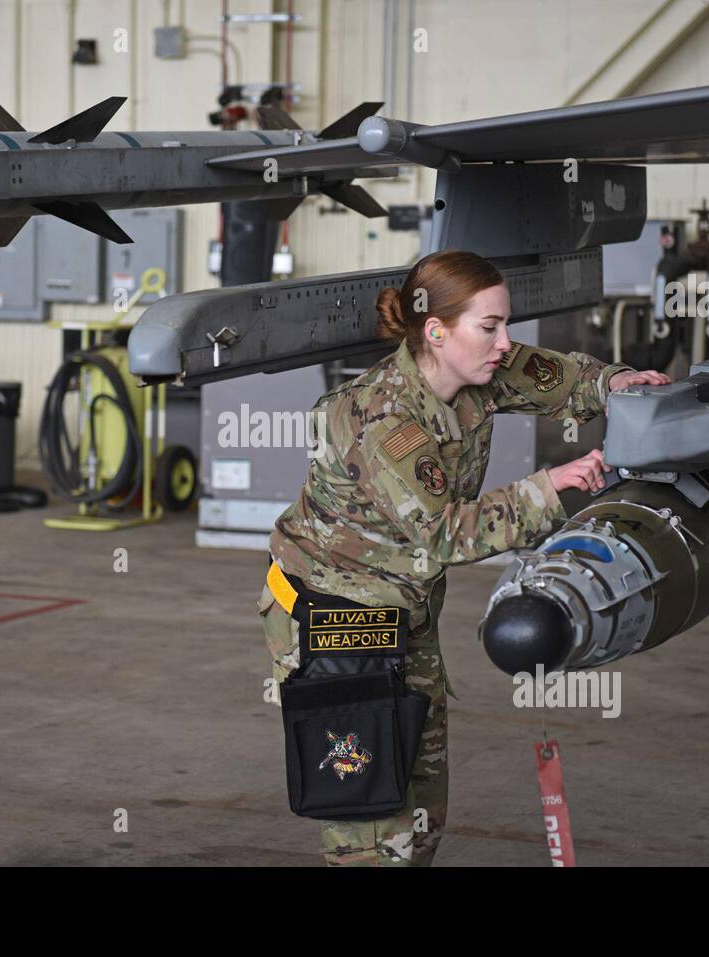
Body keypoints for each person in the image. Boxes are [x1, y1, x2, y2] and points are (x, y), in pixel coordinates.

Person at [257, 249, 672, 866]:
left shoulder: (478, 365)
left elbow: (555, 377)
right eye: (491, 326)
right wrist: (553, 486)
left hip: (403, 609)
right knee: (372, 822)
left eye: (506, 324)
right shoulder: (384, 419)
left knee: (421, 806)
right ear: (436, 330)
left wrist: (612, 383)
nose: (506, 342)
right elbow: (444, 534)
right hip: (337, 618)